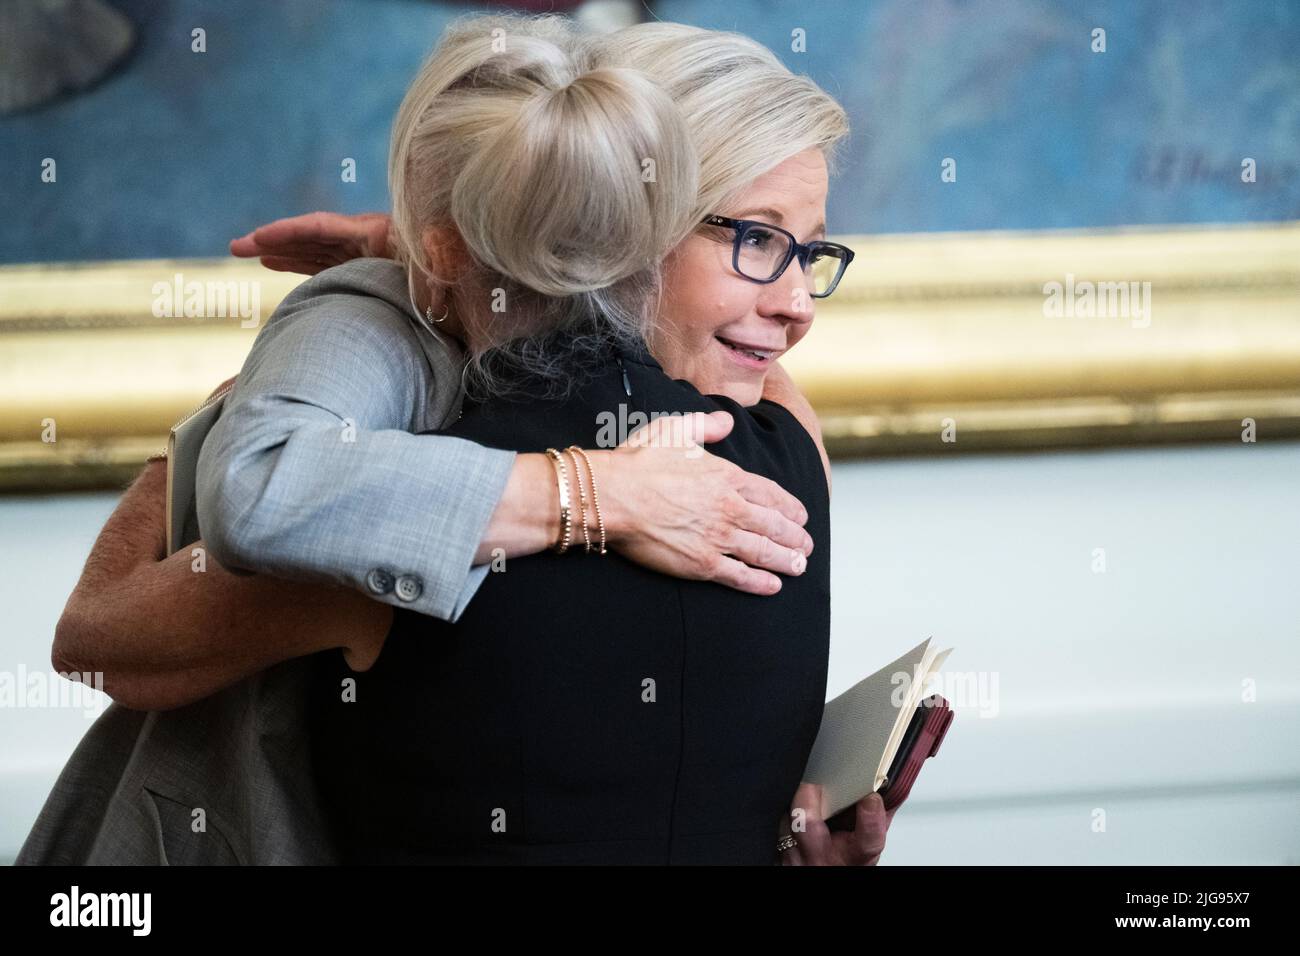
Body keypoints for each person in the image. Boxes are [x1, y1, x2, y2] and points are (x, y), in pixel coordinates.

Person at [20, 13, 892, 866]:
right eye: (754, 238)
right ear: (635, 220)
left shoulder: (406, 520)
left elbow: (98, 644)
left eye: (808, 252)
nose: (798, 306)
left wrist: (445, 263)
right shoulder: (790, 460)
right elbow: (112, 644)